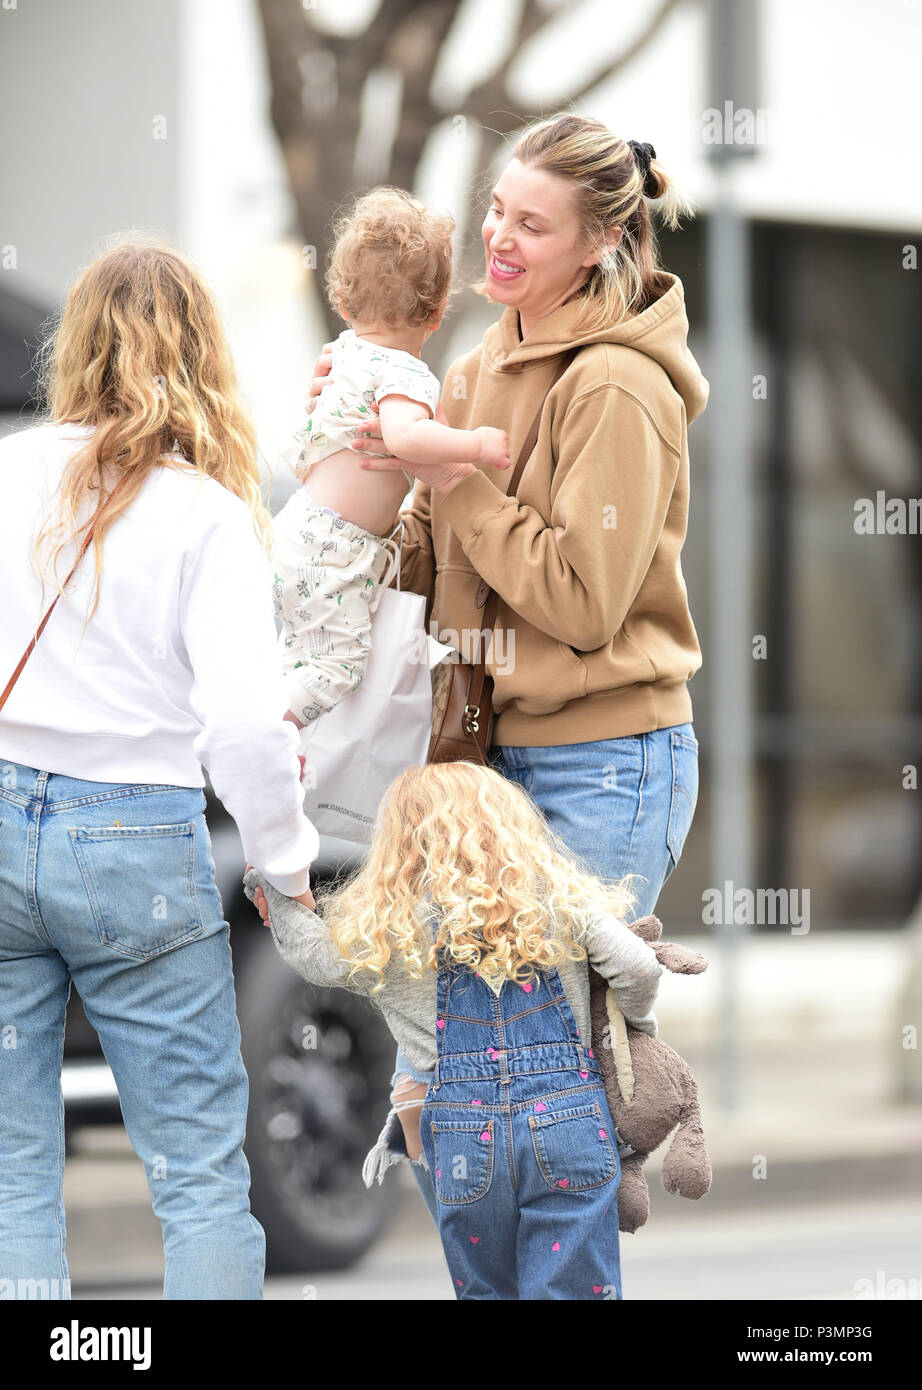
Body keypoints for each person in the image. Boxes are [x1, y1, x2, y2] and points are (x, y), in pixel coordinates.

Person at [303, 113, 709, 1229]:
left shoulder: (616, 388)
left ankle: (597, 1165)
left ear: (598, 247)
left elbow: (581, 599)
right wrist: (362, 472)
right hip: (490, 759)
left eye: (532, 224)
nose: (498, 238)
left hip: (602, 761)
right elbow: (442, 566)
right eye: (496, 209)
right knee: (476, 1085)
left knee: (546, 1096)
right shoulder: (476, 368)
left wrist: (461, 480)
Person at [0, 235, 318, 1300]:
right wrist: (282, 861)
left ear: (74, 346)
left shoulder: (4, 471)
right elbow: (242, 722)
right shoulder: (209, 516)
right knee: (195, 1174)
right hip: (134, 834)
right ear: (201, 353)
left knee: (9, 1172)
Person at [246, 760, 663, 1300]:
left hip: (465, 1139)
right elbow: (639, 967)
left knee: (487, 1292)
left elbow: (317, 958)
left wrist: (276, 892)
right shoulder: (560, 903)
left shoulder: (390, 933)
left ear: (399, 845)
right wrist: (636, 1028)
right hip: (570, 1125)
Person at [272, 186, 509, 732]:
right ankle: (259, 736)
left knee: (302, 657)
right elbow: (405, 437)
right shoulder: (404, 374)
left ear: (343, 302)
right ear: (437, 310)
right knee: (336, 668)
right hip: (335, 547)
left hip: (302, 533)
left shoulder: (342, 354)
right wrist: (477, 446)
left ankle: (277, 741)